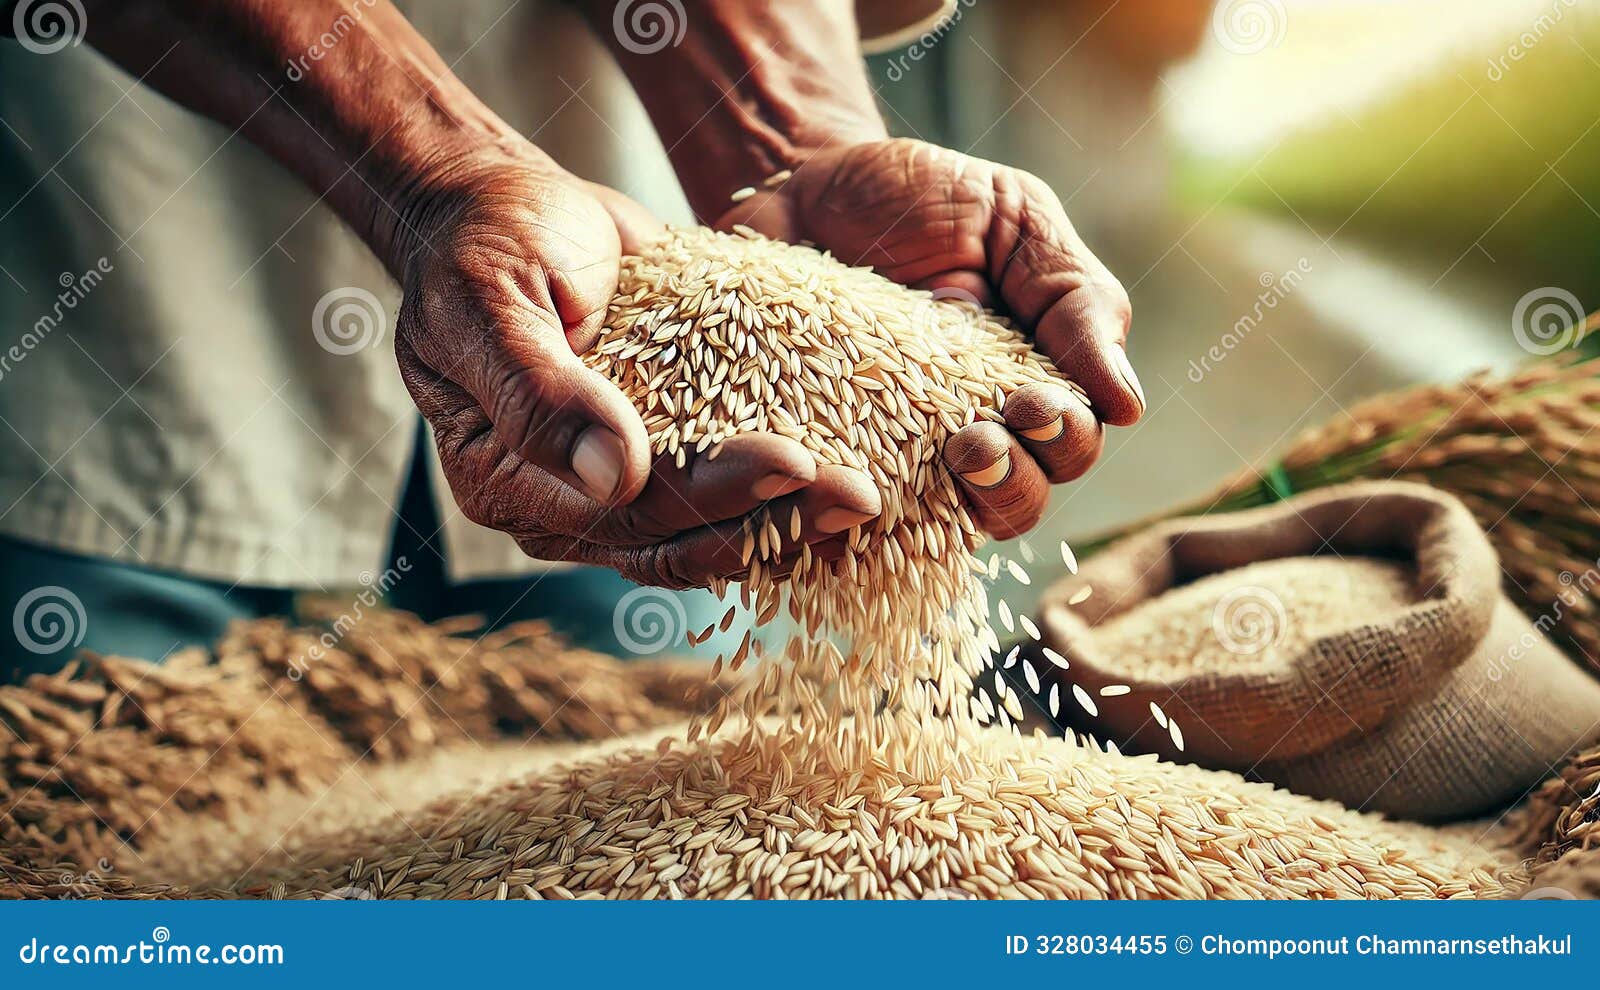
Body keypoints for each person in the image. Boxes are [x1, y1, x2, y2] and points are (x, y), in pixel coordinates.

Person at [0, 0, 1139, 679]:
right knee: (115, 830)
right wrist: (444, 177)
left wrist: (793, 145)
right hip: (138, 322)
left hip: (627, 341)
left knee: (649, 828)